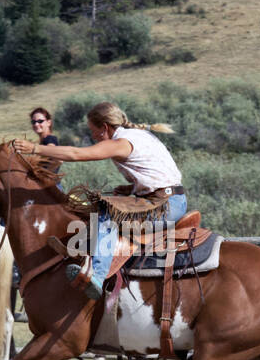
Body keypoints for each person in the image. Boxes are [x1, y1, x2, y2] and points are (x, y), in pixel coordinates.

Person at [12, 102, 186, 300]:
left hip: (164, 205)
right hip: (170, 199)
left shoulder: (120, 143)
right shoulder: (140, 136)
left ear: (105, 127)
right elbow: (162, 172)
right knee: (109, 207)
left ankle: (97, 275)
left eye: (94, 131)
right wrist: (133, 188)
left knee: (108, 214)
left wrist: (34, 148)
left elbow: (76, 154)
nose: (93, 136)